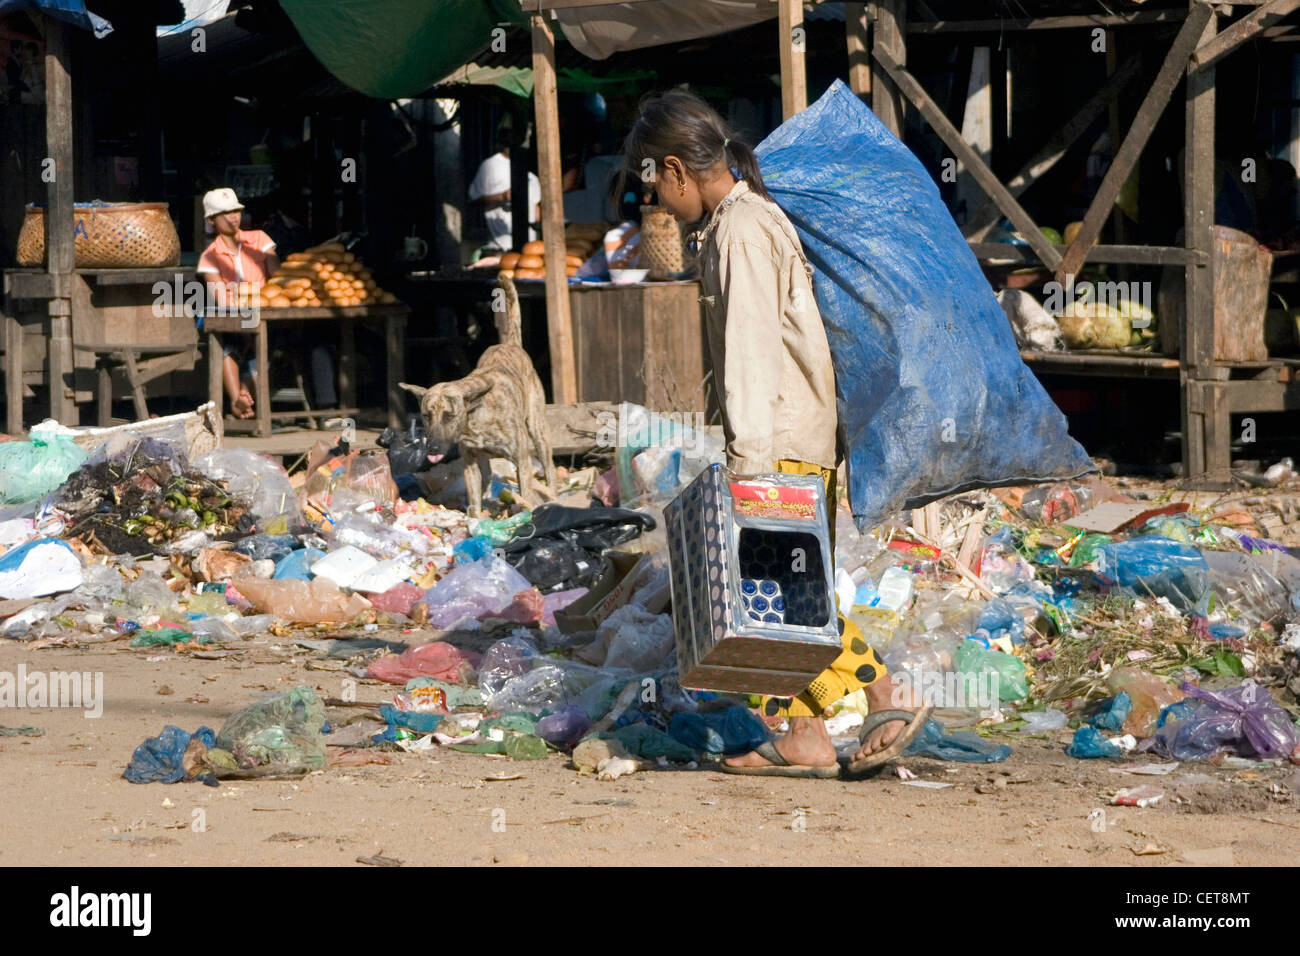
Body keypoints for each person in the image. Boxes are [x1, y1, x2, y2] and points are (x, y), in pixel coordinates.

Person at [623, 90, 922, 776]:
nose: (661, 206)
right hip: (790, 435)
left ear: (675, 168)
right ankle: (809, 735)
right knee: (783, 596)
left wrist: (747, 463)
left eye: (657, 186)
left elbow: (752, 352)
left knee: (786, 594)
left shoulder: (741, 230)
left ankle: (884, 689)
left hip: (779, 442)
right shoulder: (745, 221)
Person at [197, 187, 278, 419]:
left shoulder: (260, 239)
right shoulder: (209, 256)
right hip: (232, 315)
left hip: (266, 313)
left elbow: (278, 280)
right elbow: (222, 297)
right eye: (226, 214)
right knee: (228, 344)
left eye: (236, 211)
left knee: (265, 343)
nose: (233, 217)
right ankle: (237, 399)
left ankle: (242, 397)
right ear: (212, 221)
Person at [468, 128, 541, 251]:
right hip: (501, 247)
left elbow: (536, 211)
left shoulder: (530, 174)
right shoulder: (490, 166)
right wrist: (501, 197)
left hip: (530, 246)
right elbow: (473, 199)